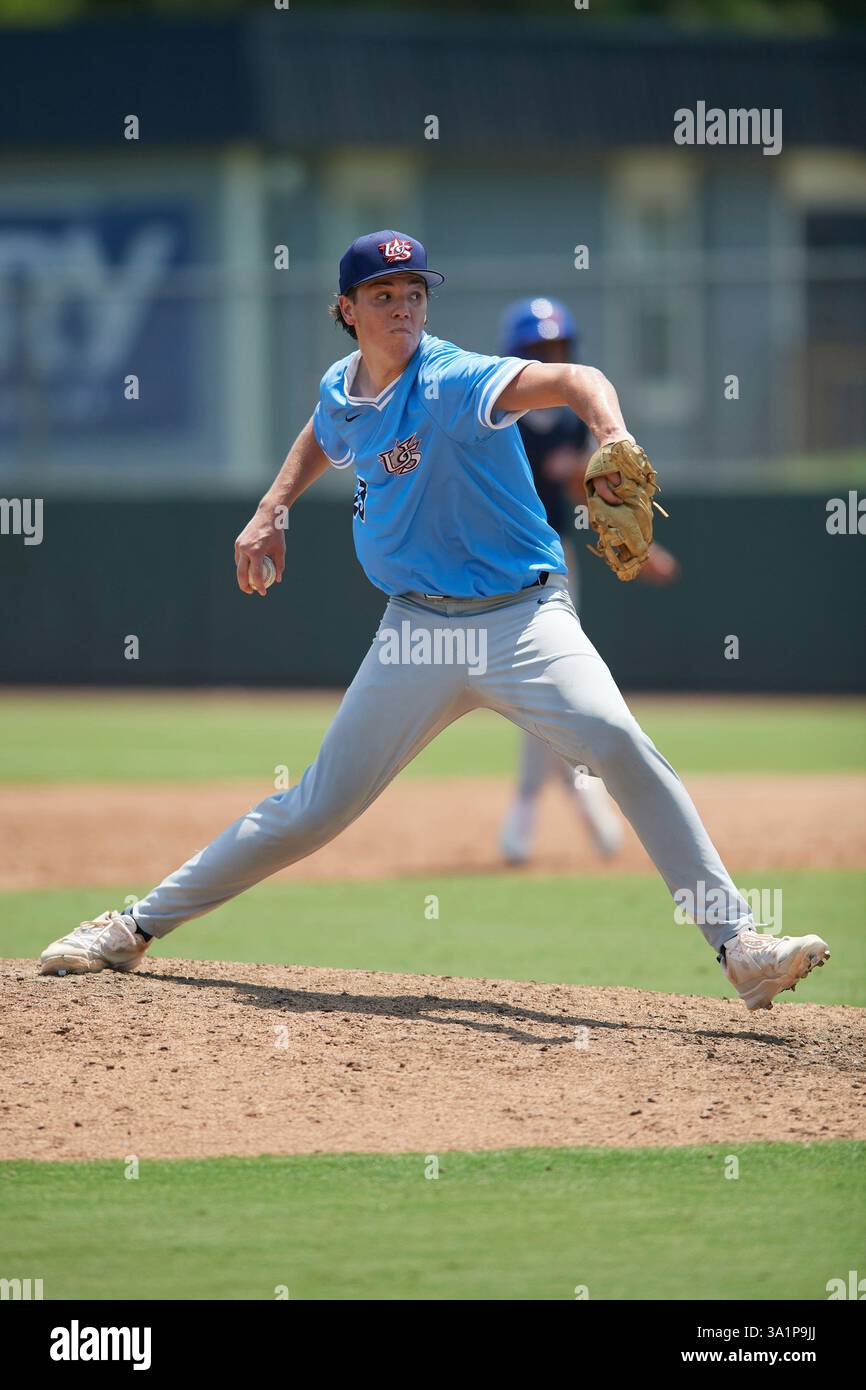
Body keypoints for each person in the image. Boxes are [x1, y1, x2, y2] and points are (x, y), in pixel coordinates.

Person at [40, 229, 830, 1012]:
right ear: (347, 310)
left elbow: (577, 377)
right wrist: (273, 505)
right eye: (383, 296)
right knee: (314, 807)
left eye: (414, 293)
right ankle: (133, 928)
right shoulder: (342, 388)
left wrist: (614, 433)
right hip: (415, 631)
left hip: (523, 621)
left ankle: (740, 947)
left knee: (620, 742)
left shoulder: (455, 380)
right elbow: (326, 429)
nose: (403, 308)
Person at [495, 296, 679, 865]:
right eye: (538, 349)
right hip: (493, 565)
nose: (550, 357)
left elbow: (586, 491)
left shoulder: (573, 418)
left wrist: (642, 548)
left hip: (554, 563)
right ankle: (577, 789)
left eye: (558, 348)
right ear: (518, 356)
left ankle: (536, 801)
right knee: (530, 689)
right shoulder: (499, 414)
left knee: (547, 684)